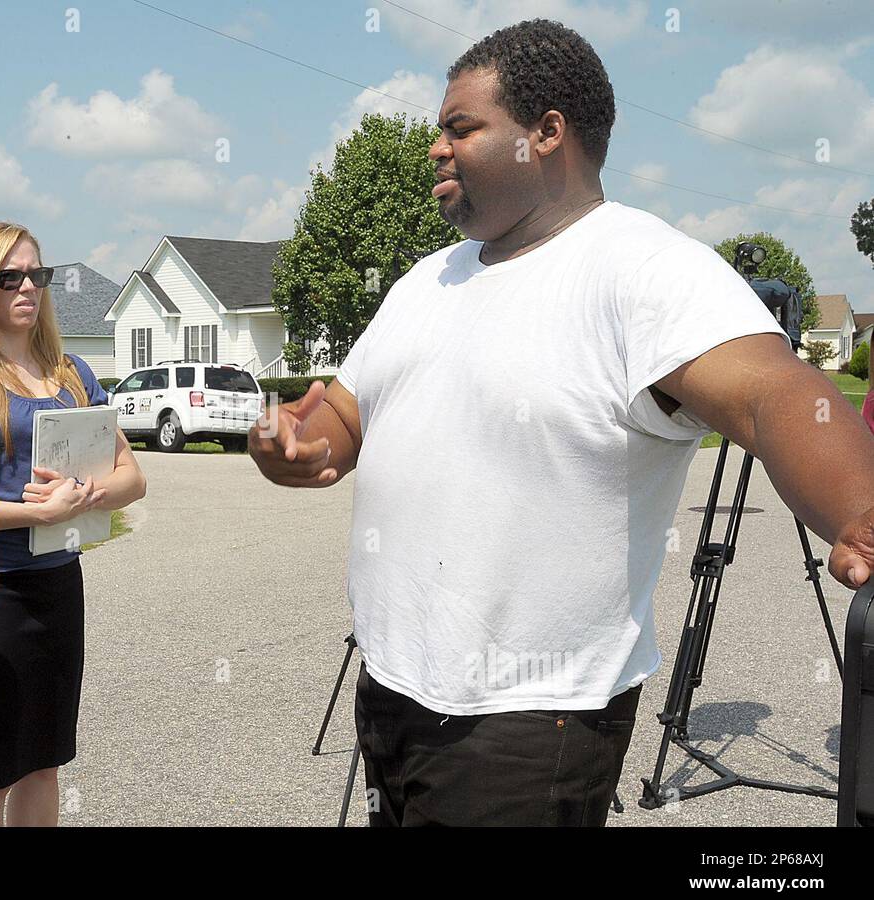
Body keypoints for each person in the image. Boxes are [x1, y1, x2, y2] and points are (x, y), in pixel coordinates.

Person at [248, 19, 874, 827]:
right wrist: (295, 448)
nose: (436, 148)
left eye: (460, 127)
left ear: (547, 133)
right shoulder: (423, 281)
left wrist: (858, 512)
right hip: (393, 688)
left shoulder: (642, 266)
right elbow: (341, 414)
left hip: (527, 725)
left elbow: (772, 392)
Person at [0, 222, 146, 826]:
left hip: (59, 585)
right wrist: (39, 511)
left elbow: (133, 477)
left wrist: (87, 495)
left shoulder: (71, 373)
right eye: (10, 277)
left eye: (38, 274)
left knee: (44, 757)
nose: (28, 287)